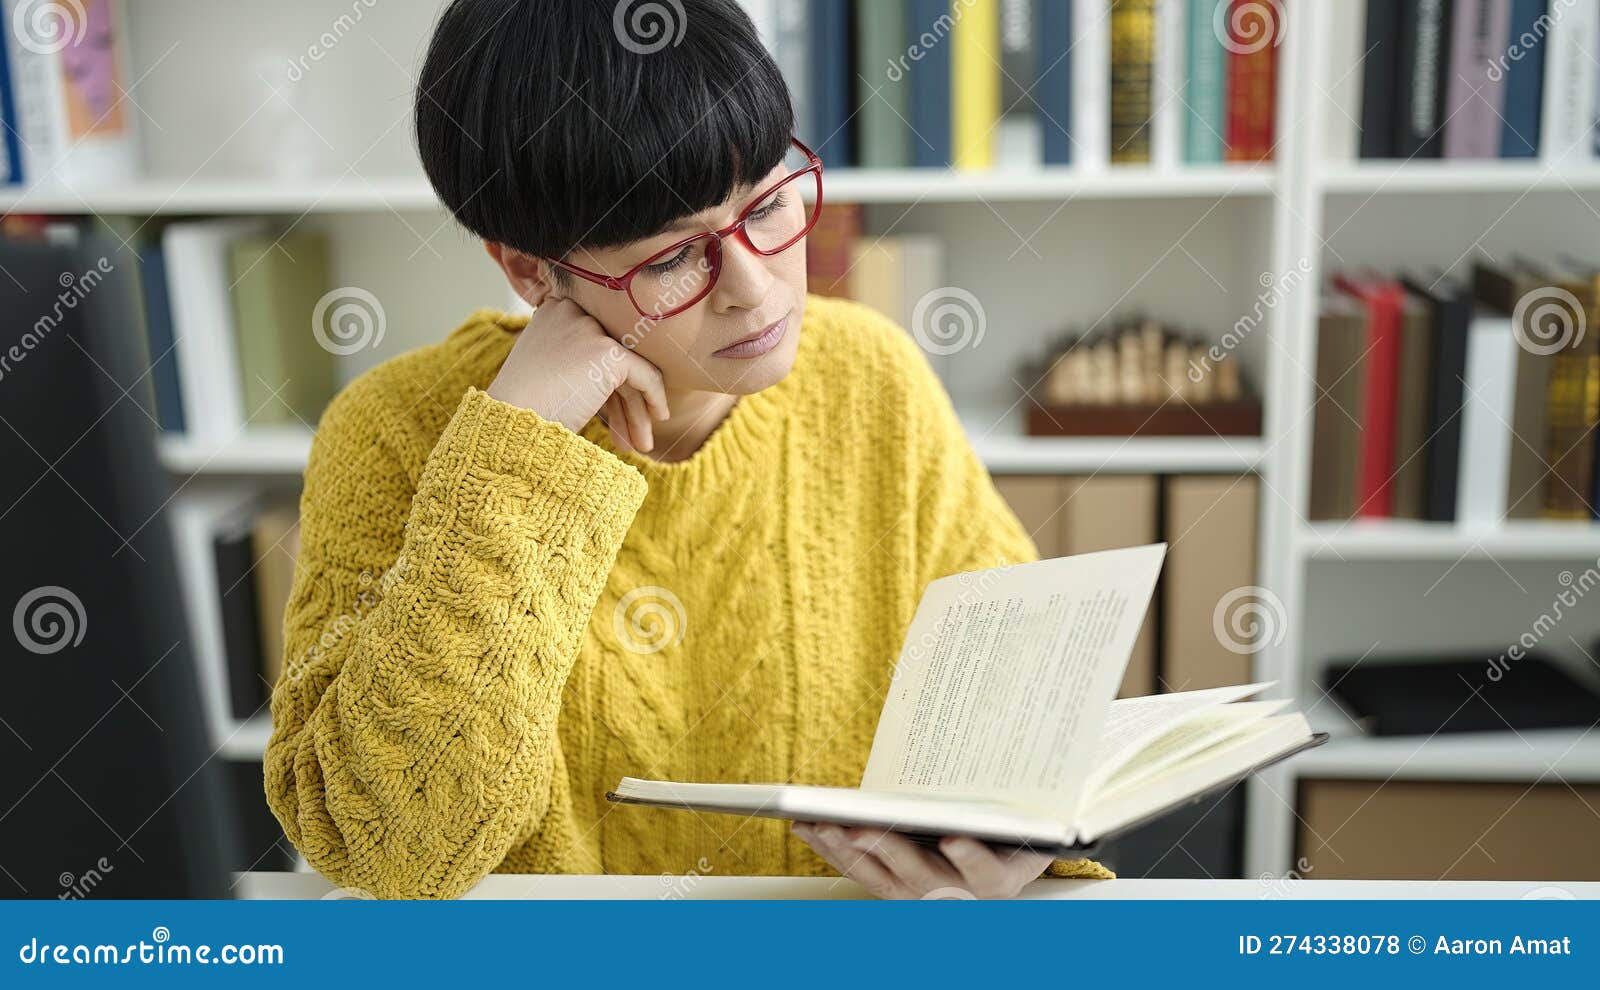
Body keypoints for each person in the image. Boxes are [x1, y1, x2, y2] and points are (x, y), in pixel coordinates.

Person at [263, 0, 1112, 899]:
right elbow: (387, 848)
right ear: (527, 269)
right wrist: (517, 452)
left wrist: (1018, 838)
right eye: (673, 260)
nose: (754, 290)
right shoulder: (395, 431)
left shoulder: (871, 377)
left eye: (771, 204)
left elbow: (1026, 709)